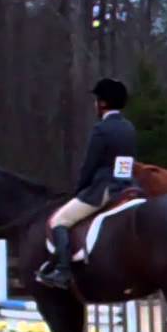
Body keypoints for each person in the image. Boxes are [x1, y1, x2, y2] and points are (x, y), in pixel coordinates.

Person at [37, 77, 138, 290]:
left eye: (96, 100)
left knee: (59, 221)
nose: (94, 104)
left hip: (103, 189)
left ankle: (63, 272)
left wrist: (80, 190)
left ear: (103, 103)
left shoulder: (101, 130)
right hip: (128, 187)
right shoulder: (129, 128)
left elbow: (89, 166)